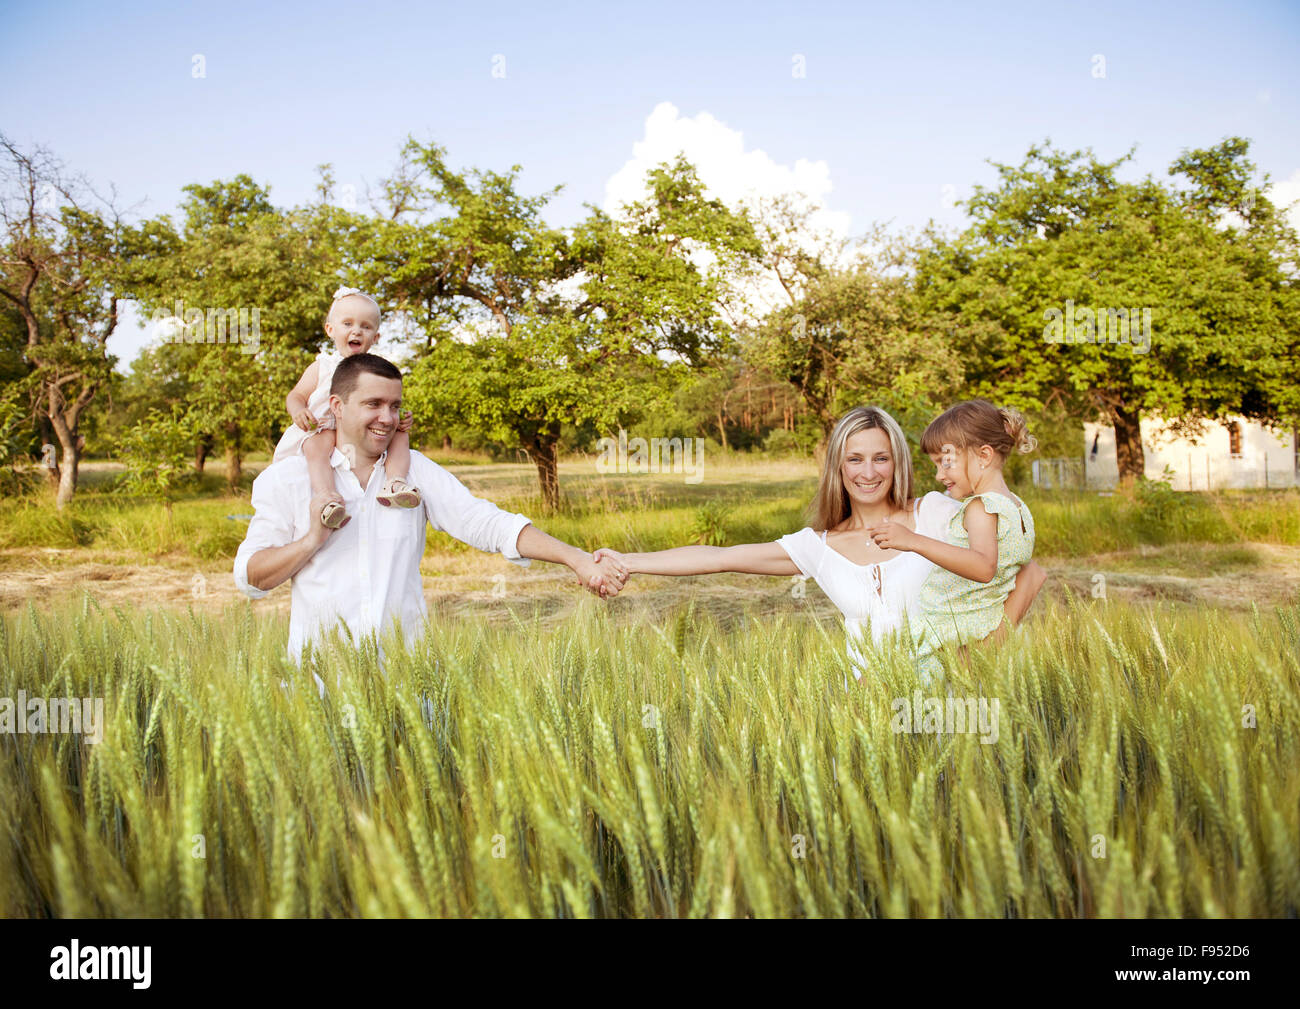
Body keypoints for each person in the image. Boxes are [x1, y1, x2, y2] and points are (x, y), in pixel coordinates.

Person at [593, 406, 1044, 684]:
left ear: (897, 462)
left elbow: (1027, 572)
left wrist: (982, 653)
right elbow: (719, 557)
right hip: (869, 704)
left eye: (881, 458)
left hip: (953, 702)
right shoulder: (818, 547)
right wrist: (629, 561)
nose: (868, 473)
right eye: (855, 459)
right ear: (838, 467)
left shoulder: (936, 514)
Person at [234, 353, 629, 672]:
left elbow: (484, 522)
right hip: (319, 687)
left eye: (395, 405)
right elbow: (251, 577)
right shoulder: (287, 479)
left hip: (408, 681)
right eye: (373, 404)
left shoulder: (414, 470)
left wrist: (574, 557)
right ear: (336, 405)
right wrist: (311, 541)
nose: (387, 418)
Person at [866, 399, 1038, 684]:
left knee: (879, 688)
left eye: (946, 463)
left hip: (948, 635)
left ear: (983, 455)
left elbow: (984, 567)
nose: (939, 475)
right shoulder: (1019, 507)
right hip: (979, 627)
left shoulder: (980, 507)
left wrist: (913, 540)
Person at [276, 286, 420, 531]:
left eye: (365, 326)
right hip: (323, 427)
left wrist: (401, 417)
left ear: (375, 337)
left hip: (361, 431)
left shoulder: (376, 370)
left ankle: (395, 482)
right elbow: (296, 394)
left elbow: (386, 403)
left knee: (400, 437)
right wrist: (298, 410)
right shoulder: (323, 366)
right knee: (316, 446)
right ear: (331, 330)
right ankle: (327, 498)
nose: (356, 330)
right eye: (347, 324)